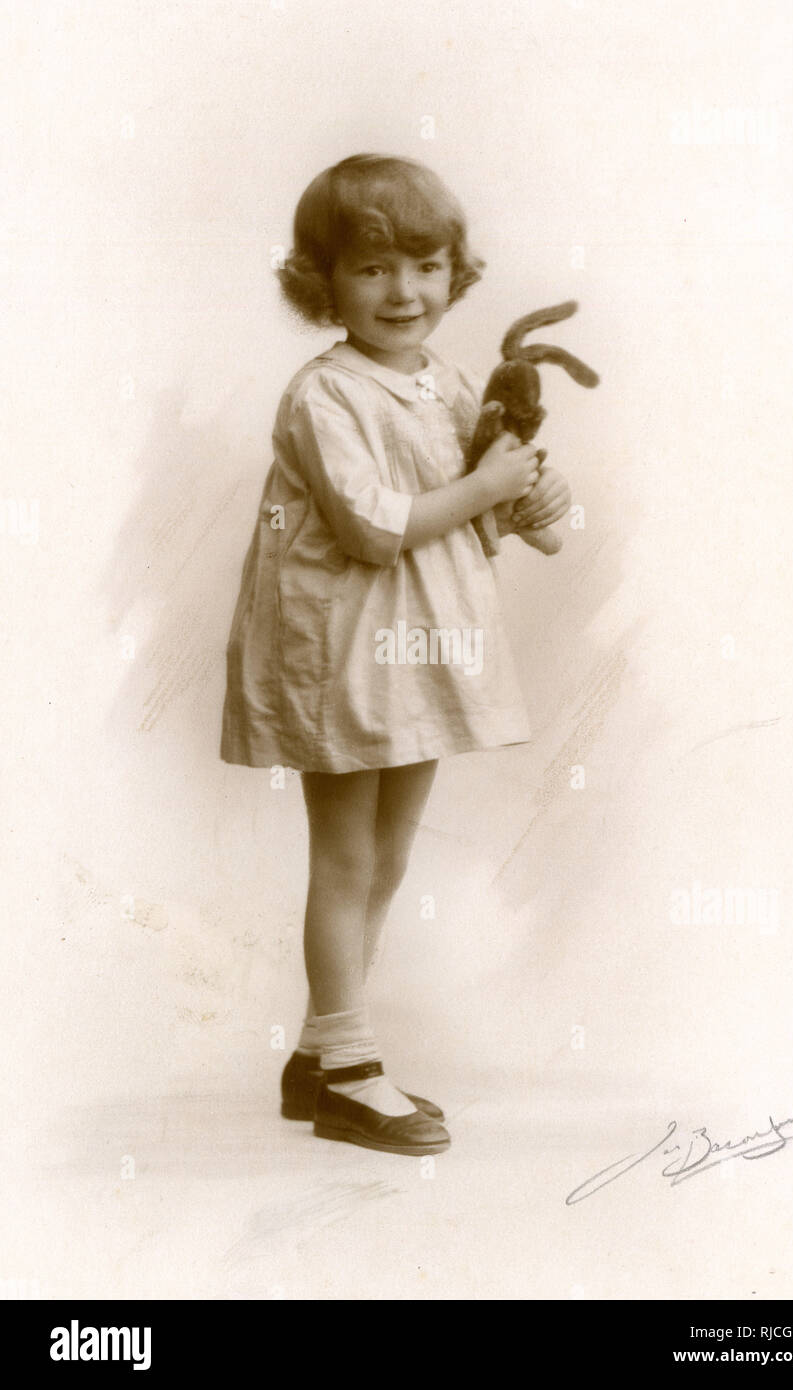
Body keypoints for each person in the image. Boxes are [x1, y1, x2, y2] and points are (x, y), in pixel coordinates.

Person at [220, 154, 571, 1155]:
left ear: (455, 272)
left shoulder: (448, 382)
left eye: (424, 264)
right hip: (340, 650)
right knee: (345, 853)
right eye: (371, 269)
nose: (403, 291)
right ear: (321, 282)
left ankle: (322, 1047)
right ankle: (349, 1074)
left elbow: (491, 493)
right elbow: (376, 526)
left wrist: (532, 492)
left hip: (423, 646)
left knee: (390, 852)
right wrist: (485, 482)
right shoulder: (325, 394)